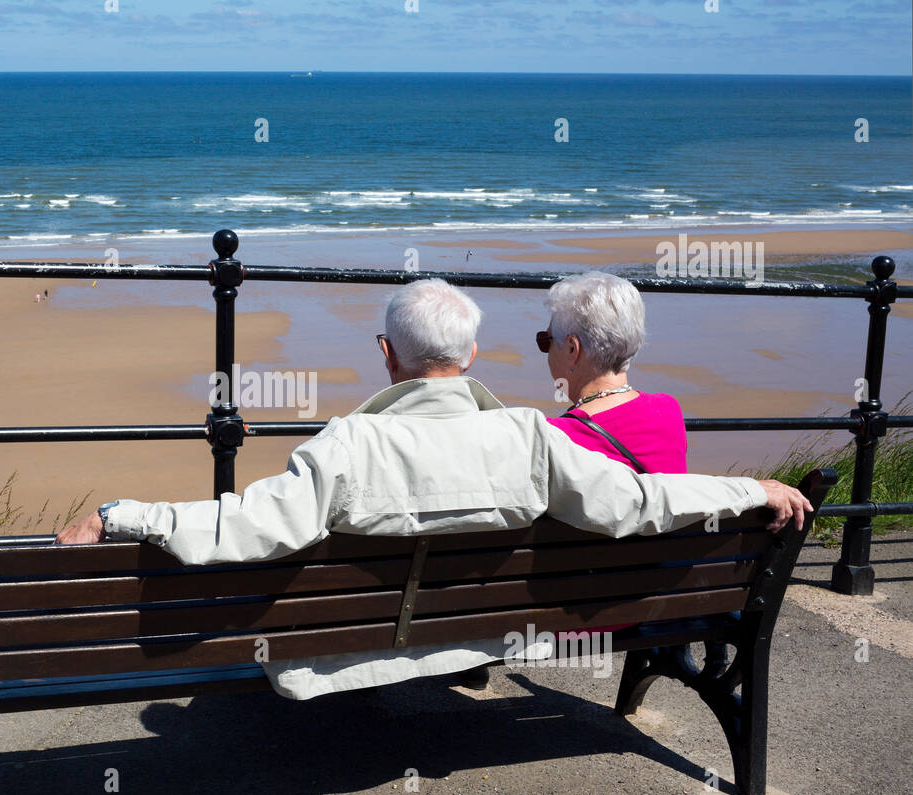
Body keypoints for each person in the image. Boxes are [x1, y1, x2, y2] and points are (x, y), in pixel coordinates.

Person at [55, 278, 810, 700]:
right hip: (486, 634)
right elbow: (640, 504)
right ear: (473, 353)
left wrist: (119, 516)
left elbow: (250, 527)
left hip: (346, 649)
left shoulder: (349, 444)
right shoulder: (531, 435)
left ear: (387, 355)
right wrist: (749, 492)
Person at [539, 272, 685, 473]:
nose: (546, 351)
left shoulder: (558, 438)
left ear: (573, 349)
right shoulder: (668, 410)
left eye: (546, 341)